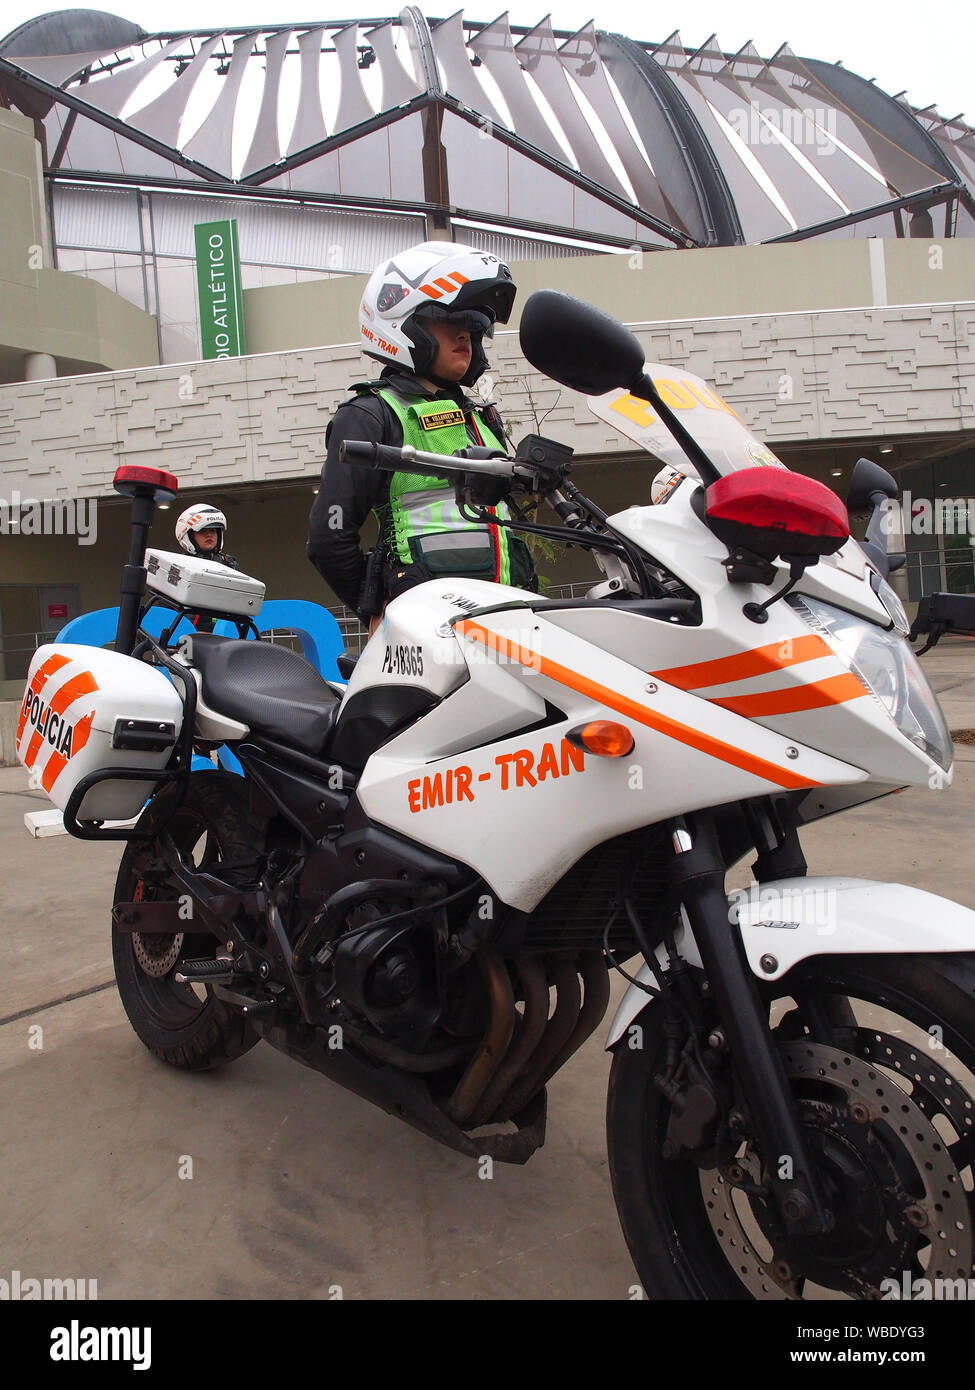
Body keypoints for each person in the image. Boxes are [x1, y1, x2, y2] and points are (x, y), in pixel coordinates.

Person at [307, 241, 536, 632]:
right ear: (403, 324)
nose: (465, 334)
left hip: (507, 614)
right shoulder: (370, 413)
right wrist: (378, 605)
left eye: (473, 326)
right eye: (450, 320)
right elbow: (329, 536)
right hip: (428, 629)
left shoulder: (478, 416)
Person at [174, 504, 239, 631]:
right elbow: (163, 609)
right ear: (189, 535)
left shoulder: (229, 564)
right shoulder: (177, 565)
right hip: (184, 632)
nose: (209, 534)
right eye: (203, 530)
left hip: (223, 633)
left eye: (213, 530)